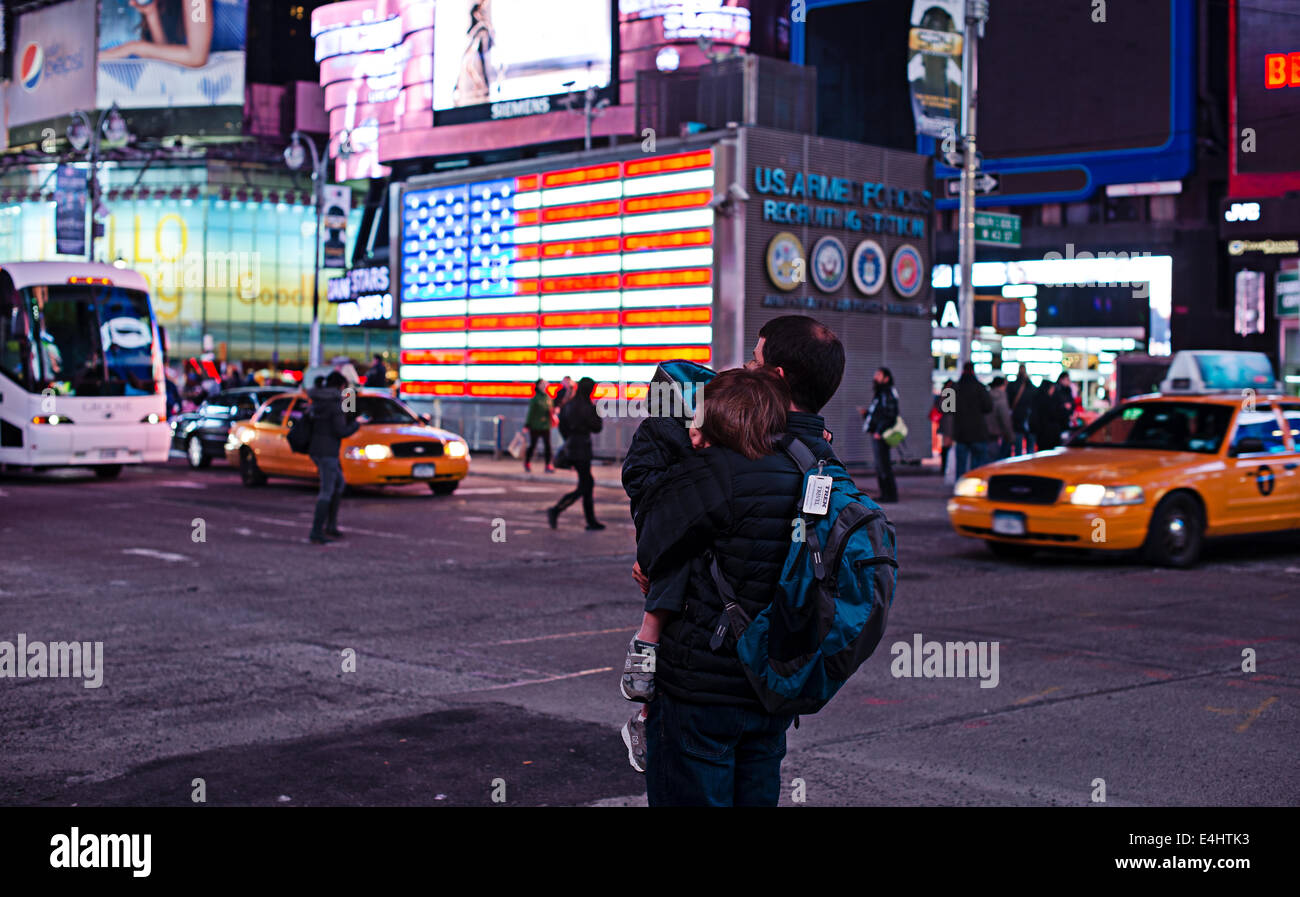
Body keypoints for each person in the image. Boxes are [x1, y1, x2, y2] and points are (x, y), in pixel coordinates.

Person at [623, 314, 847, 806]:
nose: (745, 366)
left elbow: (654, 539)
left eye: (754, 360)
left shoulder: (730, 460)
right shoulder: (825, 464)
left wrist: (667, 423)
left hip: (703, 693)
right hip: (772, 688)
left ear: (776, 377)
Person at [307, 371, 366, 544]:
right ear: (341, 386)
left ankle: (330, 526)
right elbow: (341, 430)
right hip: (327, 451)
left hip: (317, 448)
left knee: (339, 484)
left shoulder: (318, 398)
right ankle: (316, 532)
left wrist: (349, 403)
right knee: (327, 490)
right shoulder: (335, 403)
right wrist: (357, 423)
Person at [547, 377, 604, 531]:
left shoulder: (569, 405)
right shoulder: (588, 406)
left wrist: (568, 439)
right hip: (583, 448)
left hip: (572, 446)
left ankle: (590, 520)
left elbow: (562, 426)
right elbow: (597, 427)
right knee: (586, 484)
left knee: (586, 484)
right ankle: (557, 509)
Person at [858, 366, 900, 503]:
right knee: (881, 464)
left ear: (886, 378)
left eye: (879, 375)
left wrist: (879, 431)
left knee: (883, 465)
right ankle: (886, 494)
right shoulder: (881, 393)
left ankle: (889, 495)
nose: (875, 376)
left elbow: (889, 414)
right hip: (877, 433)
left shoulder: (886, 393)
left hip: (880, 435)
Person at [953, 362, 992, 477]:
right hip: (978, 432)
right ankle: (974, 488)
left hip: (960, 433)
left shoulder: (954, 387)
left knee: (960, 466)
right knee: (977, 467)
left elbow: (945, 409)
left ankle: (960, 487)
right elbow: (988, 407)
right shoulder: (980, 387)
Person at [522, 379, 554, 473]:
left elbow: (551, 409)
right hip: (535, 426)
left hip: (546, 426)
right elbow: (530, 413)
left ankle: (548, 465)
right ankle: (527, 462)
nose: (545, 384)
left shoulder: (548, 397)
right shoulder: (535, 398)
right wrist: (527, 425)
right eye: (543, 383)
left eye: (545, 383)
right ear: (538, 385)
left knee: (548, 446)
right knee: (532, 445)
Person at [986, 376, 1015, 461]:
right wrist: (1011, 437)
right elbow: (1005, 418)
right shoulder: (1001, 397)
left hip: (985, 435)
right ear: (1002, 385)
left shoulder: (987, 395)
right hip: (997, 436)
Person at [1007, 374, 1036, 456]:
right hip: (1028, 418)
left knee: (1018, 445)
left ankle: (1018, 462)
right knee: (1030, 445)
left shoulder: (1013, 386)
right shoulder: (1031, 387)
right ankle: (1030, 462)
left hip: (1017, 418)